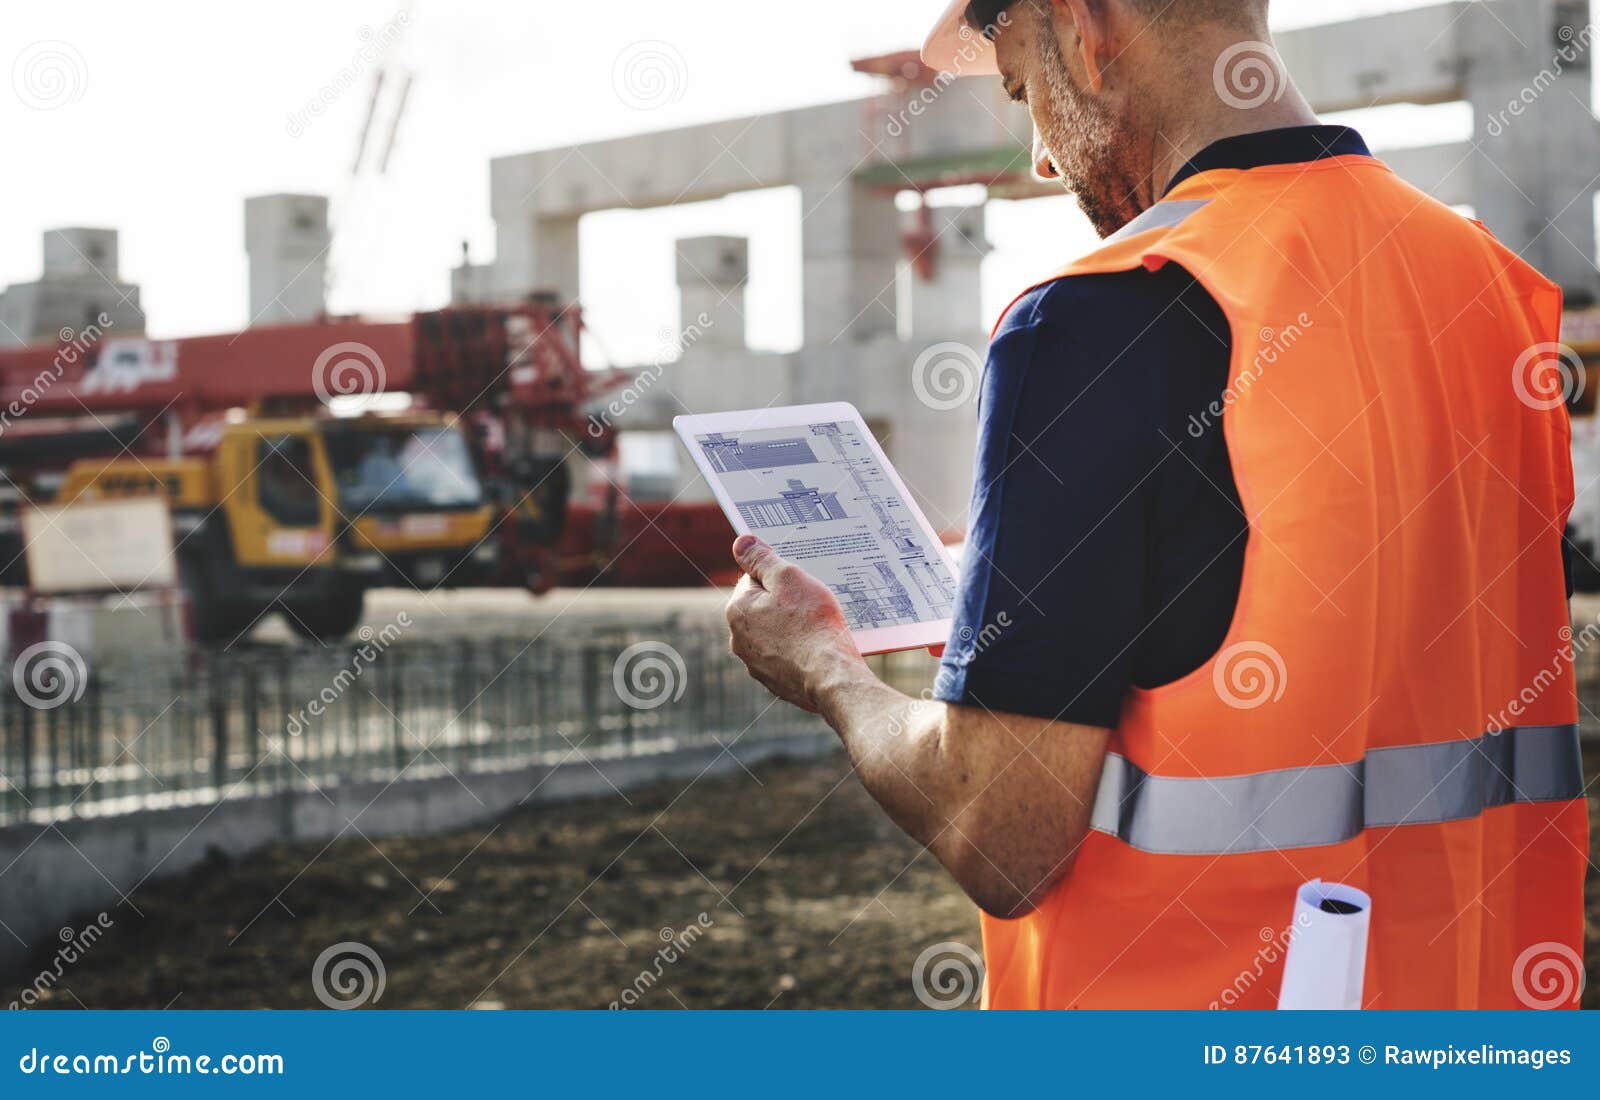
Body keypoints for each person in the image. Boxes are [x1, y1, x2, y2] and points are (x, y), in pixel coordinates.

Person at [724, 0, 1589, 1008]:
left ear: (1085, 32)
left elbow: (999, 832)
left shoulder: (1097, 322)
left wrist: (825, 663)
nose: (1042, 161)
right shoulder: (1485, 286)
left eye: (1022, 88)